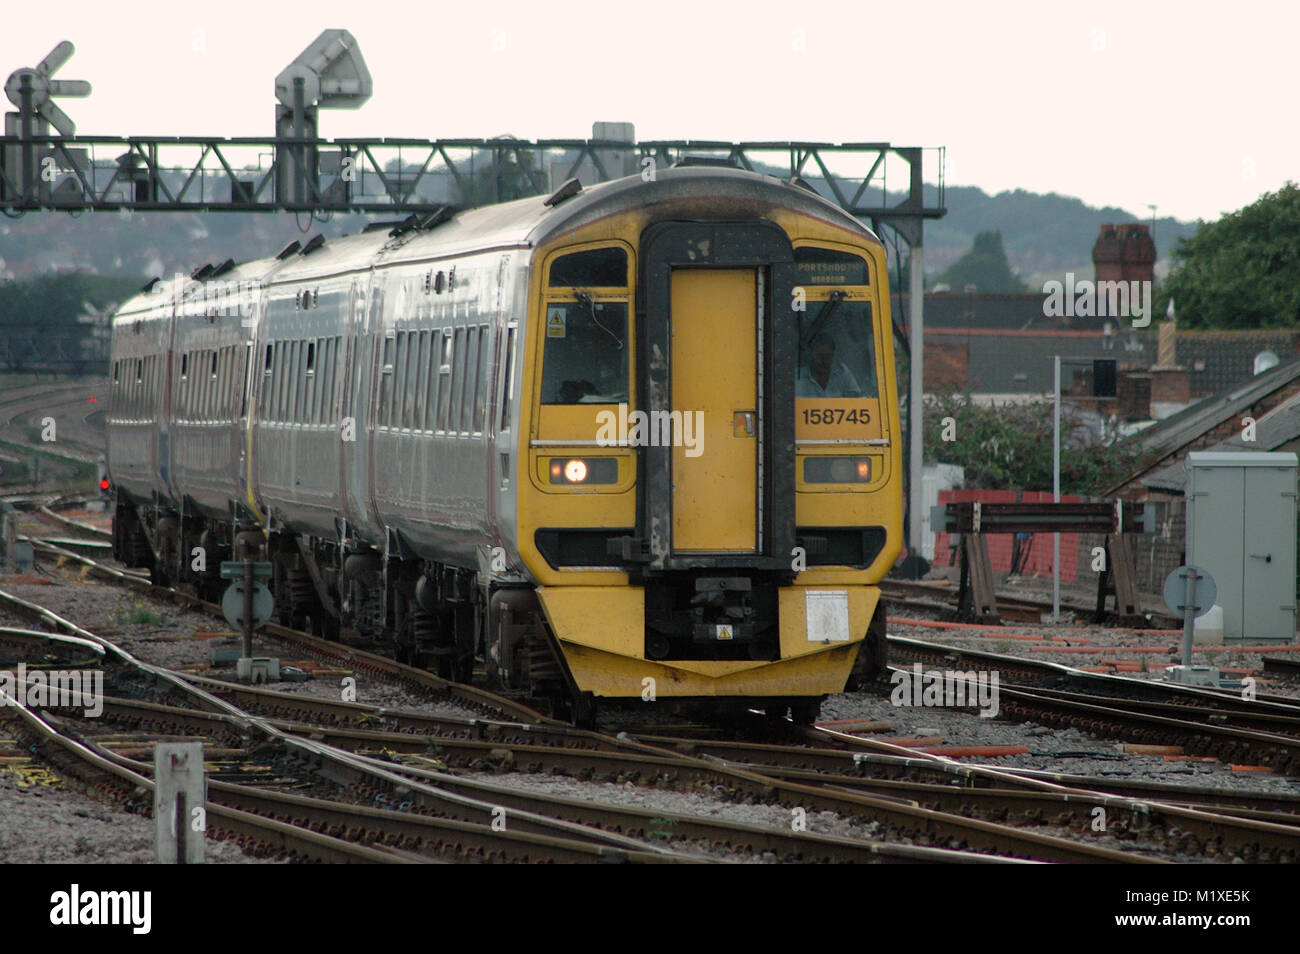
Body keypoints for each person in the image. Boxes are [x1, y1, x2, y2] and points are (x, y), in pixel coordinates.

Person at [797, 333, 861, 397]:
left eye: (828, 356)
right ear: (811, 355)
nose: (824, 360)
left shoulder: (842, 373)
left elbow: (856, 398)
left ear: (833, 355)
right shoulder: (798, 377)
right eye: (819, 356)